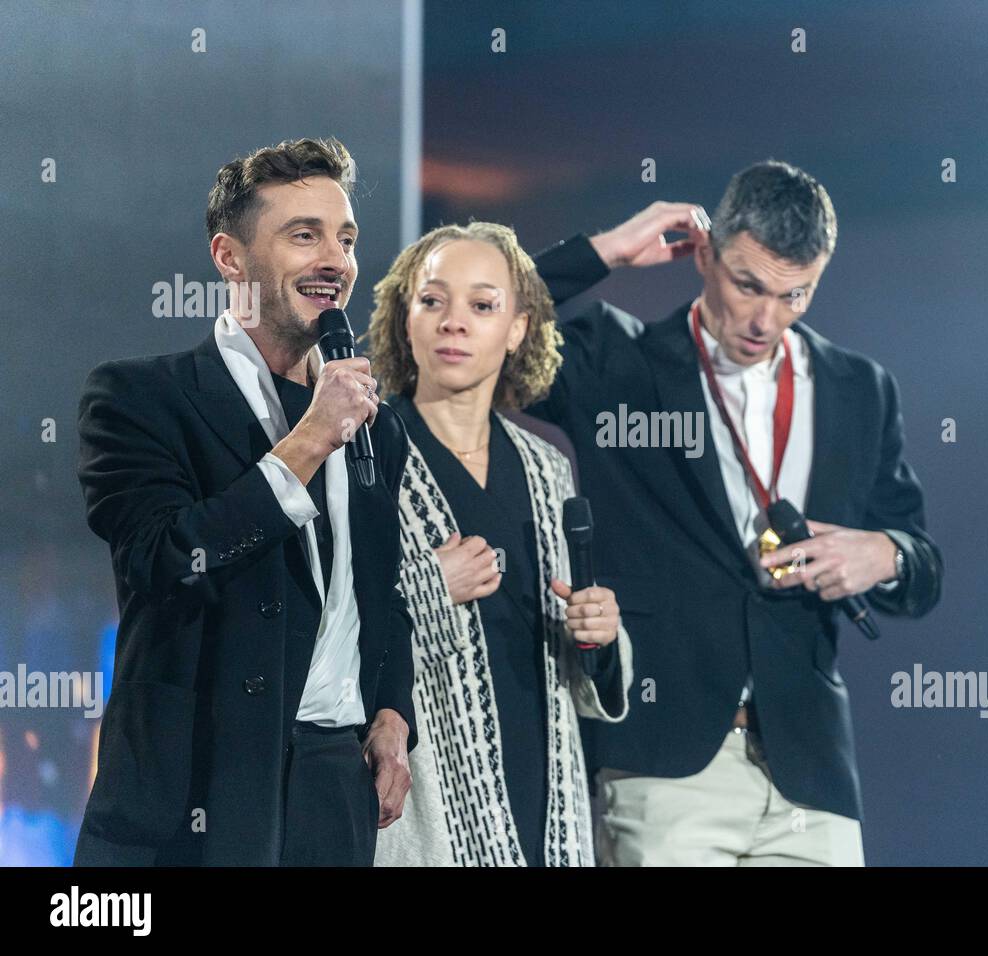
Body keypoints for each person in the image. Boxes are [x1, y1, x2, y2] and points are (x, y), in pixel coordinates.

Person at [520, 162, 943, 865]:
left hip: (809, 768)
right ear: (706, 253)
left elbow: (924, 567)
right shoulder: (614, 360)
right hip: (664, 760)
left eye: (793, 295)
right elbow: (469, 323)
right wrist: (606, 251)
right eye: (748, 284)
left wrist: (887, 554)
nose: (764, 318)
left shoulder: (860, 390)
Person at [74, 137, 416, 865]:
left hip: (334, 788)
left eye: (347, 238)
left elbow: (382, 594)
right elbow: (164, 560)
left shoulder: (376, 426)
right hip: (197, 787)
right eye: (305, 235)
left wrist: (391, 712)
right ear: (230, 258)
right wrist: (309, 441)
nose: (336, 259)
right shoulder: (140, 398)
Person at [367, 223, 632, 867]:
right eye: (432, 301)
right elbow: (315, 616)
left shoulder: (547, 467)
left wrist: (600, 633)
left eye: (482, 306)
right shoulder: (360, 452)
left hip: (547, 794)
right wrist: (428, 586)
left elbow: (581, 660)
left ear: (517, 328)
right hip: (428, 803)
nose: (453, 322)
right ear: (407, 319)